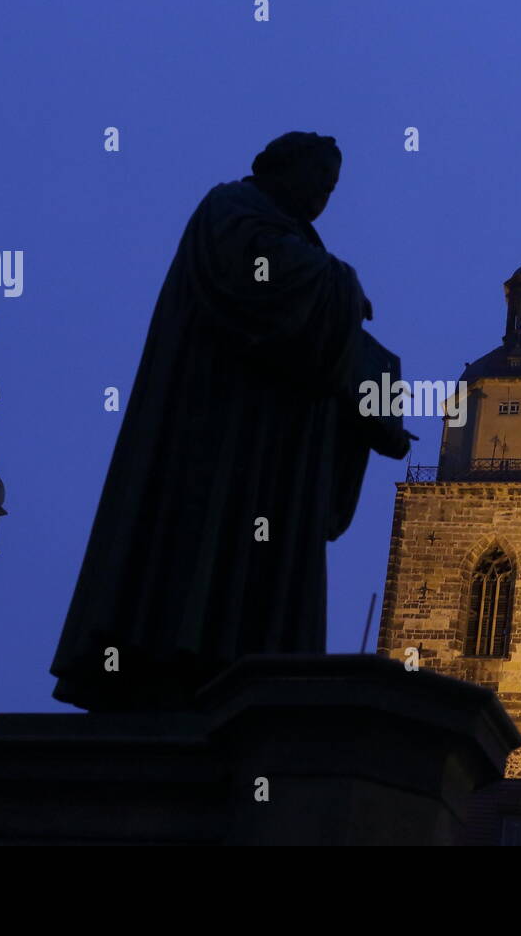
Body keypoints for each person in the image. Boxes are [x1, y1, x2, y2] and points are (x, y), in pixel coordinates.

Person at [50, 131, 409, 710]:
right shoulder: (233, 208)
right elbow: (265, 288)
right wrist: (342, 286)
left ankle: (240, 677)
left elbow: (311, 330)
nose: (324, 194)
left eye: (332, 187)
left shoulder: (290, 235)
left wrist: (367, 400)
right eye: (319, 179)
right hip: (214, 432)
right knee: (199, 554)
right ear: (278, 167)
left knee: (251, 565)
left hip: (267, 446)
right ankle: (174, 668)